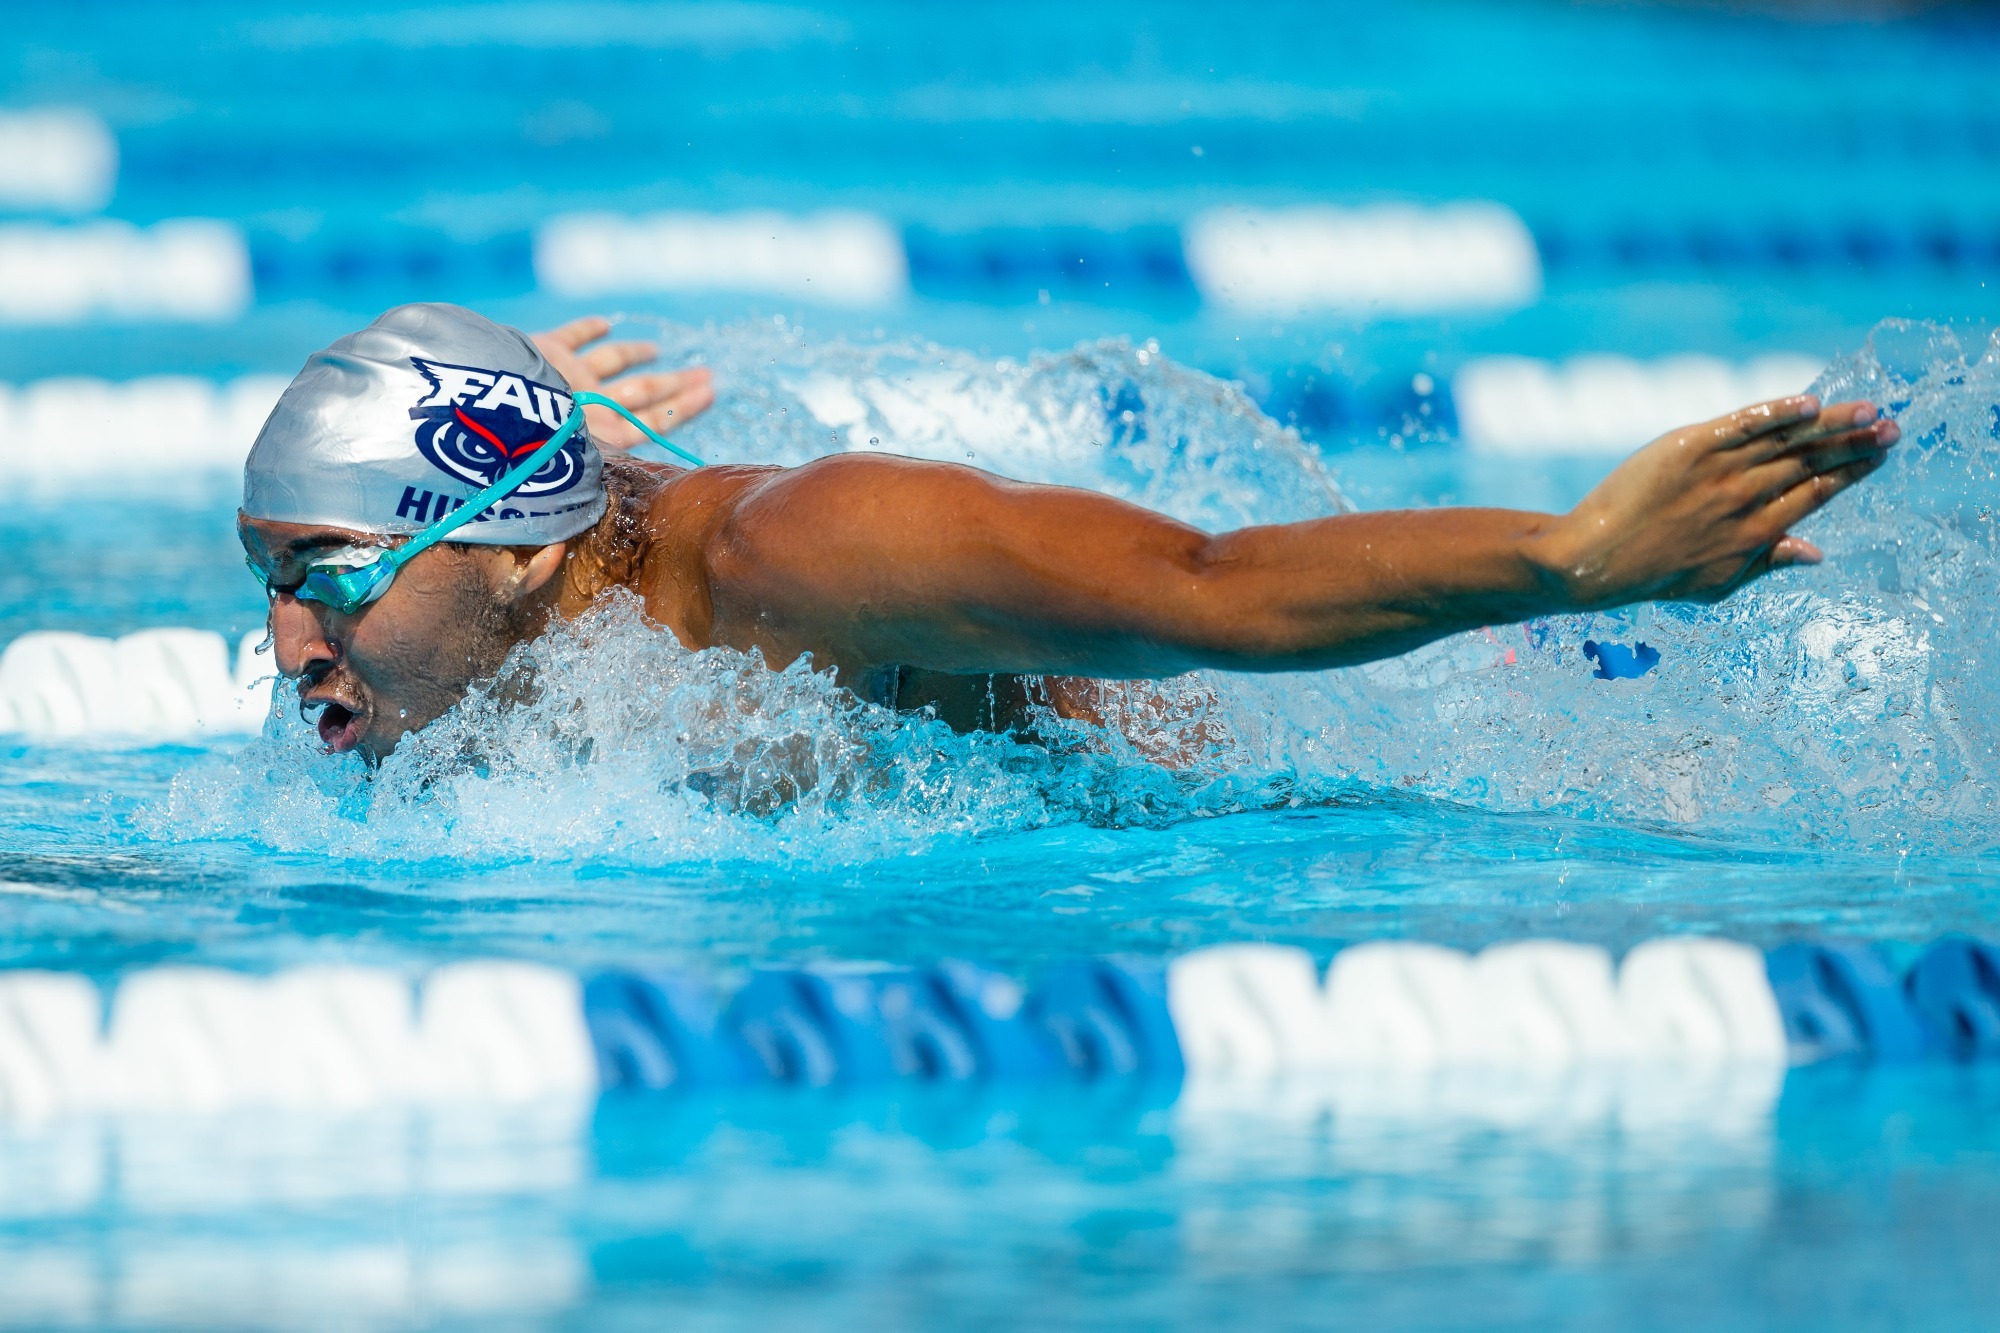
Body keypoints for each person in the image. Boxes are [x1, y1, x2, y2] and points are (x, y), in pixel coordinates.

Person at [238, 303, 1898, 761]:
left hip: (1269, 799)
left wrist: (1569, 558)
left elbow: (1204, 587)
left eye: (330, 581)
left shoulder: (792, 560)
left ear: (519, 550)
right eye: (269, 582)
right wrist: (524, 407)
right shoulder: (505, 600)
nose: (290, 642)